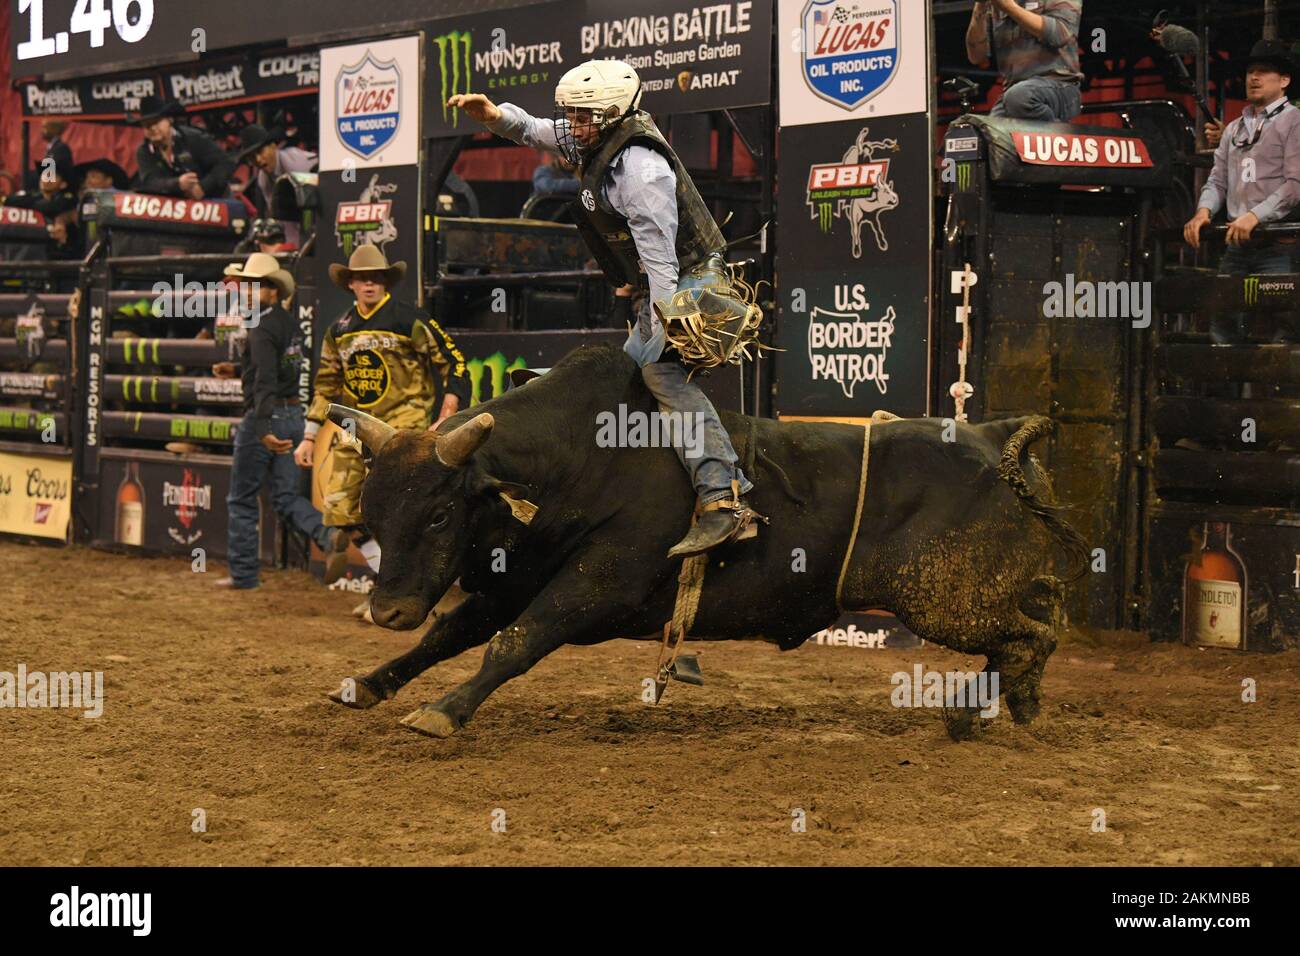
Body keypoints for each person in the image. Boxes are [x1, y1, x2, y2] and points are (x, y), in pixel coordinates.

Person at [449, 59, 767, 557]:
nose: (571, 127)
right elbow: (533, 130)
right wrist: (492, 115)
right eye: (571, 116)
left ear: (611, 114)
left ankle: (725, 501)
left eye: (580, 117)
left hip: (689, 279)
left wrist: (661, 326)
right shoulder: (596, 135)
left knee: (662, 376)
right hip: (663, 279)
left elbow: (663, 263)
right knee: (623, 372)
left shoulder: (642, 172)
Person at [295, 244, 472, 578]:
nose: (369, 284)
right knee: (339, 506)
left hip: (401, 432)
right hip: (356, 429)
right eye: (362, 279)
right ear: (351, 284)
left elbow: (453, 361)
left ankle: (393, 583)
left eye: (376, 278)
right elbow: (326, 385)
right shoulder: (340, 329)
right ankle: (382, 576)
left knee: (397, 512)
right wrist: (309, 435)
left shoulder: (410, 318)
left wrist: (449, 409)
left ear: (386, 282)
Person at [214, 252, 350, 590]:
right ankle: (326, 534)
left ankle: (244, 575)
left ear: (272, 290)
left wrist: (261, 428)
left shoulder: (260, 325)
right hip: (293, 415)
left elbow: (265, 380)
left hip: (267, 416)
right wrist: (238, 370)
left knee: (242, 498)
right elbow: (277, 369)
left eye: (254, 286)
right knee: (286, 497)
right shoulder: (288, 324)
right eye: (246, 285)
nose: (246, 292)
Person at [1183, 39, 1300, 345]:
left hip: (1278, 243)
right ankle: (1230, 391)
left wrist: (1254, 215)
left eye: (1264, 71)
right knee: (1223, 322)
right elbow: (1217, 179)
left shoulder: (1294, 121)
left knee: (1283, 328)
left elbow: (1295, 185)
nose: (1254, 77)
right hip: (1237, 245)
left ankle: (1278, 392)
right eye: (1251, 71)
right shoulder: (1234, 129)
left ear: (1284, 80)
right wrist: (1203, 211)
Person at [966, 0, 1084, 123]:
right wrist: (979, 8)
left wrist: (1008, 6)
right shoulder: (997, 6)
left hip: (1060, 86)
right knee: (987, 134)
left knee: (1019, 96)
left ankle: (1060, 137)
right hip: (1014, 93)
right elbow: (976, 57)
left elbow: (1059, 34)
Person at [129, 96, 234, 199]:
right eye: (147, 125)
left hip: (217, 201)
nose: (152, 128)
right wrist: (178, 184)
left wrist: (203, 187)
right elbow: (150, 182)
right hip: (179, 210)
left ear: (169, 120)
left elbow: (225, 163)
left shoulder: (193, 138)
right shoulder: (144, 152)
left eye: (156, 122)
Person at [231, 124, 317, 246]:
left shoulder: (296, 165)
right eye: (252, 157)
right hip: (298, 222)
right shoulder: (263, 178)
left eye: (260, 151)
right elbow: (279, 217)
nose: (258, 159)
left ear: (273, 146)